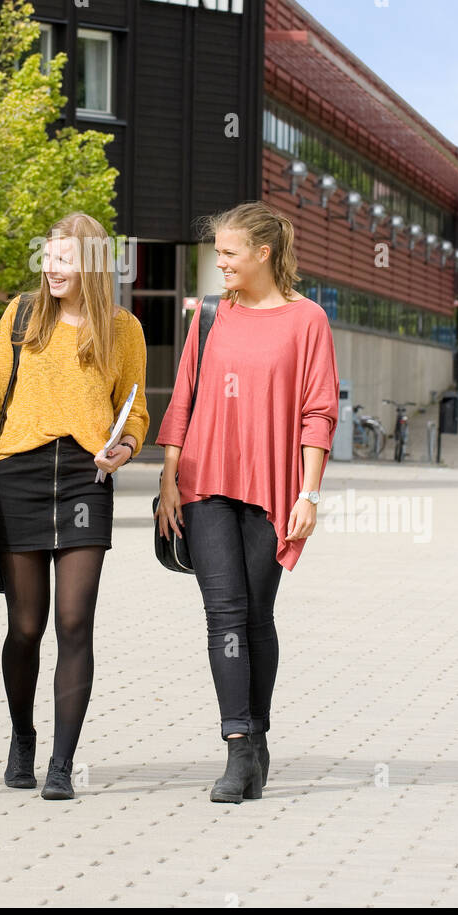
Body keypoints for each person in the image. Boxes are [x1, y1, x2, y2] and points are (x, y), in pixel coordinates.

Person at [156, 202, 339, 804]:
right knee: (224, 613)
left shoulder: (308, 319)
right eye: (218, 253)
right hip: (206, 482)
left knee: (256, 614)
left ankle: (257, 737)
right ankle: (238, 745)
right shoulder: (209, 316)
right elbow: (183, 396)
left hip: (274, 487)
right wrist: (166, 478)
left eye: (230, 252)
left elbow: (318, 410)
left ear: (263, 253)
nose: (221, 262)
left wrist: (309, 492)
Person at [0, 214, 149, 801]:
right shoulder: (21, 314)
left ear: (92, 264)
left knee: (74, 621)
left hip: (84, 478)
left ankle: (62, 764)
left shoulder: (123, 329)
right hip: (16, 475)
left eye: (64, 259)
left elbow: (136, 409)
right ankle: (23, 736)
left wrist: (126, 446)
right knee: (25, 626)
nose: (52, 268)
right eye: (48, 257)